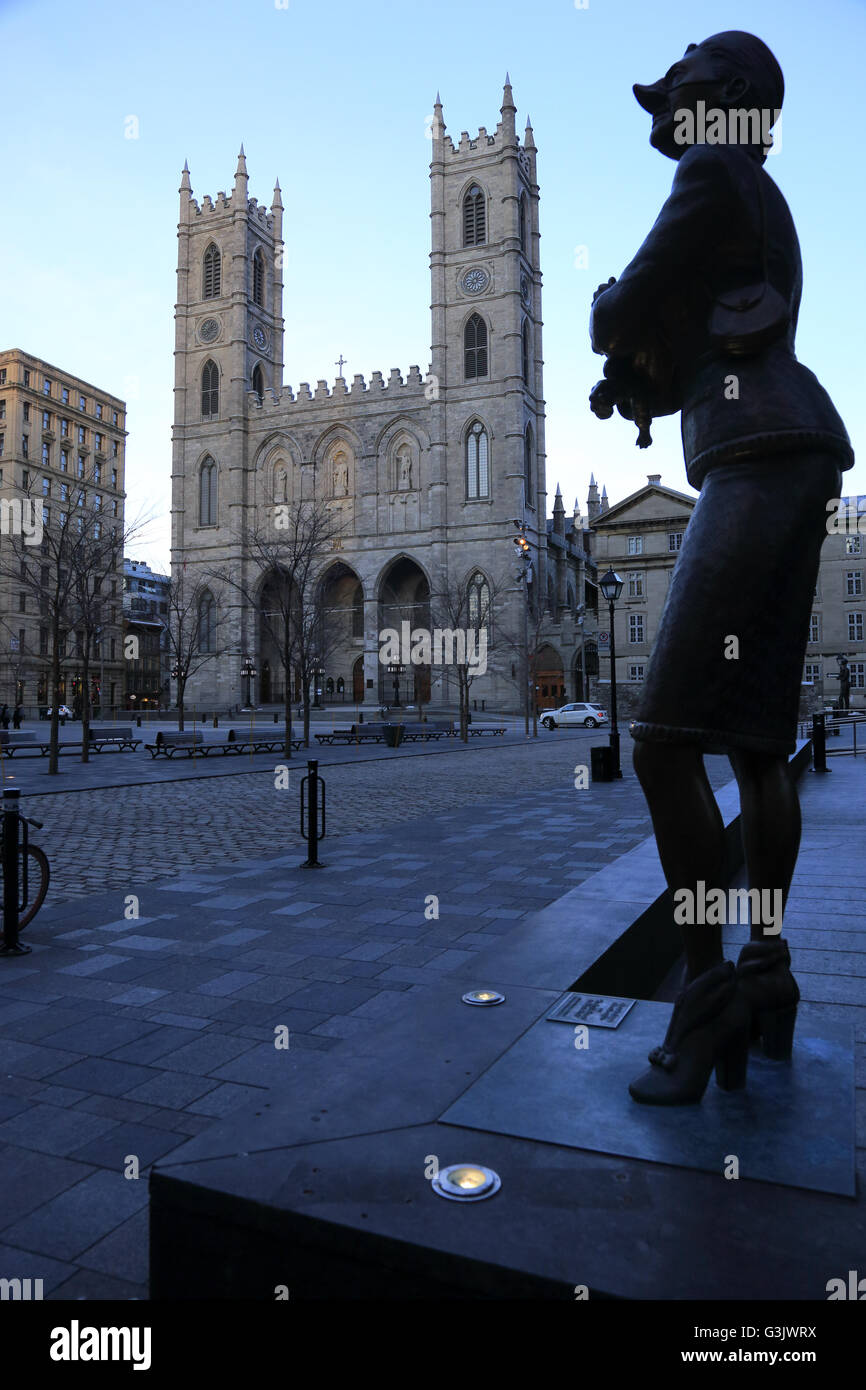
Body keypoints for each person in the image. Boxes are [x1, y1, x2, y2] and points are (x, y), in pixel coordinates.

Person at [589, 31, 854, 1105]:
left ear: (727, 96)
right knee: (753, 746)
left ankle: (700, 1007)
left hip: (750, 461)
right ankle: (767, 976)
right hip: (799, 448)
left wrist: (611, 314)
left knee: (658, 747)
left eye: (689, 69)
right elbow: (727, 328)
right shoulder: (764, 194)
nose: (672, 82)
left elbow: (625, 302)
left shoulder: (708, 170)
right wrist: (650, 377)